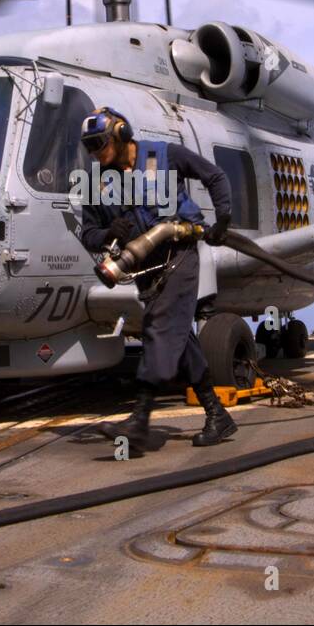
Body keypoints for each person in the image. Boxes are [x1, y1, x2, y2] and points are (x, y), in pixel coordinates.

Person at [77, 107, 237, 448]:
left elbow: (215, 176)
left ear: (121, 133)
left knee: (158, 329)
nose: (96, 153)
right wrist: (107, 234)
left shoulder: (165, 155)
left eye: (100, 144)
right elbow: (86, 232)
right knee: (178, 339)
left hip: (179, 254)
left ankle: (140, 419)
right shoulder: (99, 182)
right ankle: (217, 414)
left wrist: (222, 219)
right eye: (90, 147)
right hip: (144, 271)